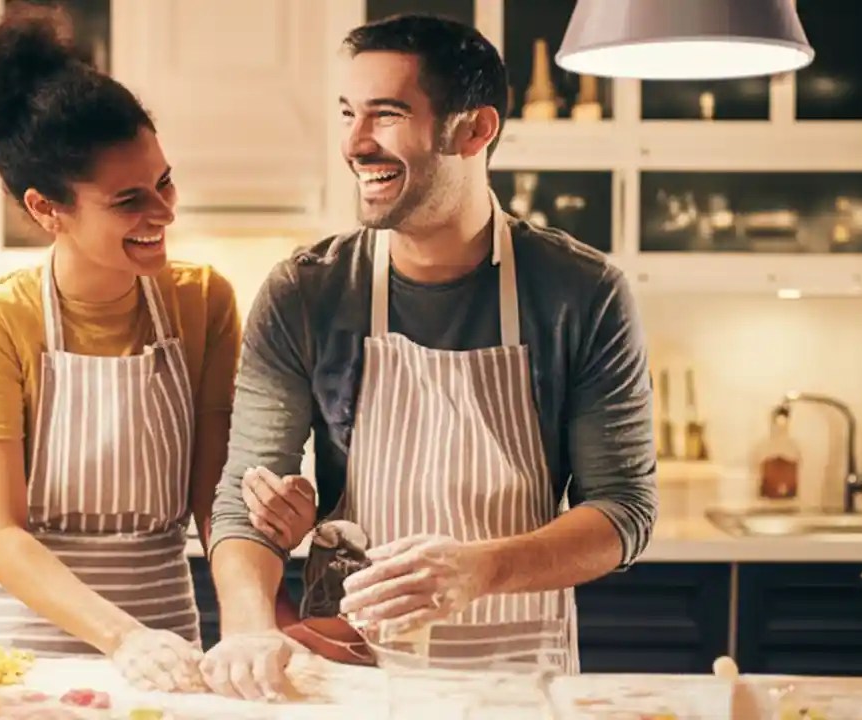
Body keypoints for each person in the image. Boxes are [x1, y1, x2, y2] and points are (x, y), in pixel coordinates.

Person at [202, 13, 657, 700]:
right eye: (348, 114)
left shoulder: (580, 294)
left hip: (521, 674)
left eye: (386, 115)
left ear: (475, 130)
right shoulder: (308, 291)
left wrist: (481, 569)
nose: (355, 144)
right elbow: (245, 502)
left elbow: (623, 509)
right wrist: (247, 627)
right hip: (348, 670)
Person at [0, 6, 241, 694]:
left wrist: (256, 622)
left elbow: (213, 500)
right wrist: (120, 636)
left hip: (164, 630)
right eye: (129, 200)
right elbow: (1, 534)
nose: (163, 213)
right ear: (48, 209)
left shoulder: (204, 302)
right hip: (15, 640)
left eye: (164, 182)